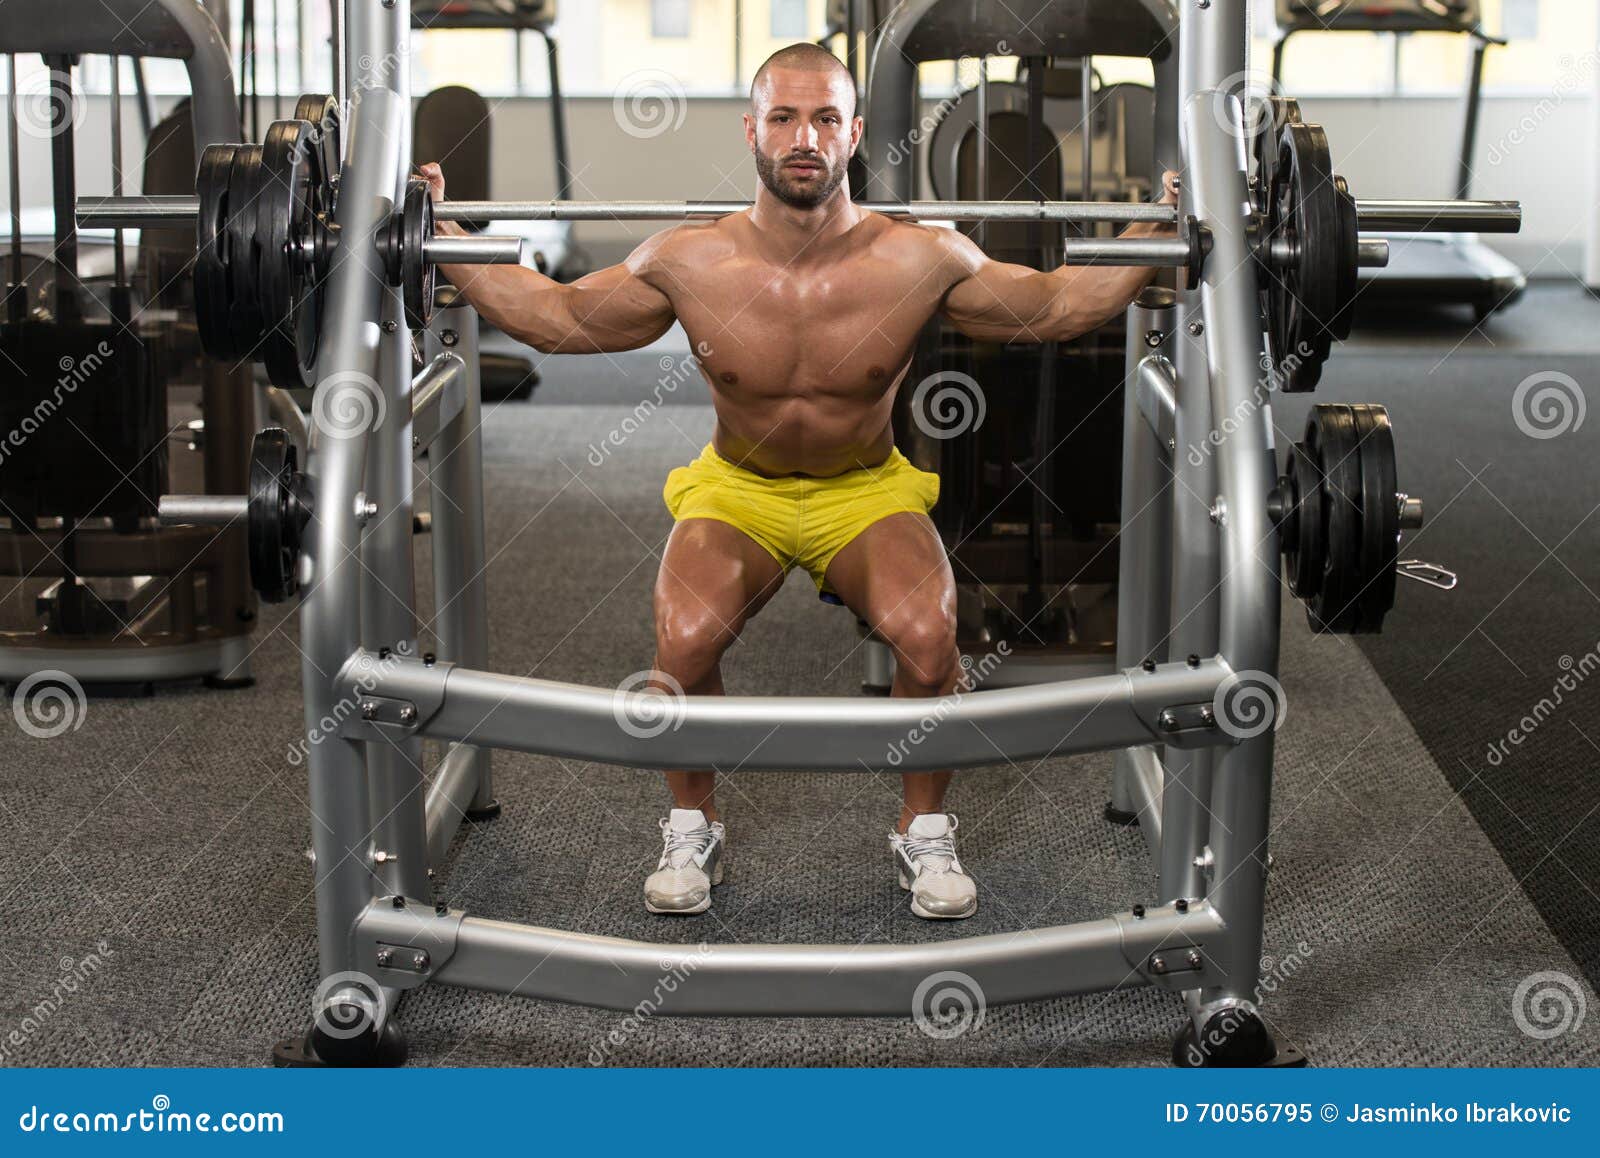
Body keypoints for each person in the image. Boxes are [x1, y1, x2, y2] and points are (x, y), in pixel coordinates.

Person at [419, 42, 1177, 921]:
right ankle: (691, 821)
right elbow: (554, 319)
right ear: (751, 131)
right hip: (738, 489)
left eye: (824, 118)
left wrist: (1154, 231)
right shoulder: (690, 262)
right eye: (783, 117)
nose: (803, 137)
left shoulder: (919, 259)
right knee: (684, 635)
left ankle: (924, 831)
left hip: (868, 488)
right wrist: (442, 236)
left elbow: (1052, 306)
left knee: (933, 637)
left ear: (855, 133)